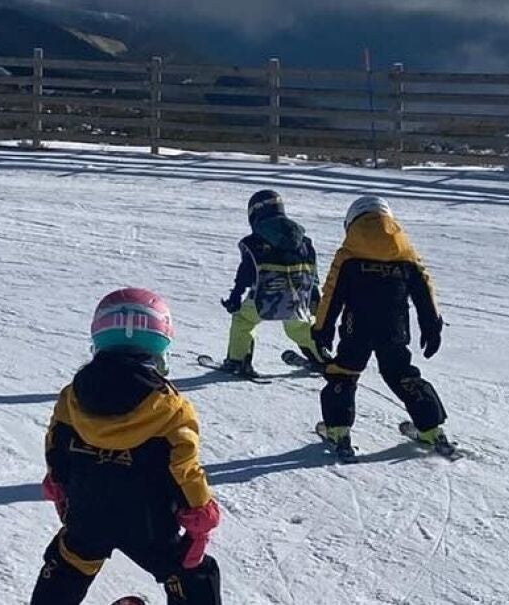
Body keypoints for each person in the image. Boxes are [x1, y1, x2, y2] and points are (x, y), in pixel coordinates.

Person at [31, 288, 224, 605]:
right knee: (193, 573)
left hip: (88, 511)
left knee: (68, 560)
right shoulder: (171, 407)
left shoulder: (72, 396)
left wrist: (60, 485)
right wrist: (201, 514)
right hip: (149, 522)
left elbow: (56, 448)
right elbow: (183, 469)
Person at [311, 196, 452, 461]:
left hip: (357, 328)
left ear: (352, 222)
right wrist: (432, 326)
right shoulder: (405, 253)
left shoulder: (349, 254)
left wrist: (322, 330)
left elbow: (332, 294)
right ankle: (432, 430)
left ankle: (339, 430)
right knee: (402, 373)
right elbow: (425, 291)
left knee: (344, 372)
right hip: (394, 328)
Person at [213, 189, 325, 377]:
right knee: (298, 327)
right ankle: (321, 358)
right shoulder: (304, 241)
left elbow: (246, 273)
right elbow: (311, 270)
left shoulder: (253, 241)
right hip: (297, 297)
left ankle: (238, 361)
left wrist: (236, 296)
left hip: (266, 297)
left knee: (244, 320)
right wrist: (314, 295)